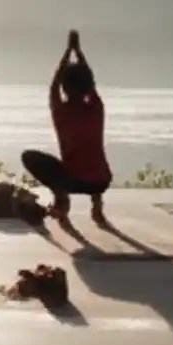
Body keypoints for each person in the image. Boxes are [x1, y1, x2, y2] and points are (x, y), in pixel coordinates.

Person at [21, 30, 112, 225]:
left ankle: (61, 201)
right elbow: (90, 81)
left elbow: (54, 86)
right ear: (87, 88)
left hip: (73, 181)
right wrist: (78, 52)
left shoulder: (61, 111)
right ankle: (97, 207)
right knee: (93, 159)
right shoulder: (96, 109)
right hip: (102, 180)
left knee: (29, 157)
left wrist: (67, 52)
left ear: (64, 87)